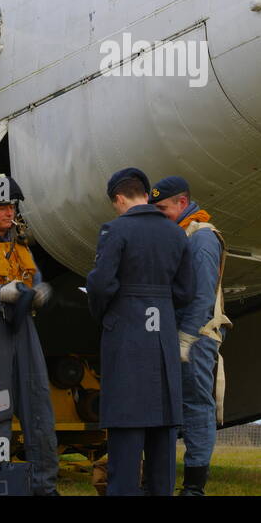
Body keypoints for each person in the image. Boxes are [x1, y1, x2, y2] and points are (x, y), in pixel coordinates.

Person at [86, 167, 195, 496]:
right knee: (162, 440)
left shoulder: (114, 231)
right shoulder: (177, 233)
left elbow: (101, 285)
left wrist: (106, 313)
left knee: (125, 440)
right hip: (162, 337)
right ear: (146, 195)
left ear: (119, 199)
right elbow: (186, 291)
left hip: (126, 338)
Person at [0, 173, 60, 495]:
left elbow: (35, 279)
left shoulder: (21, 246)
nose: (8, 212)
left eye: (11, 206)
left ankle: (45, 486)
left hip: (25, 332)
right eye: (2, 206)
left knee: (39, 408)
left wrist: (41, 291)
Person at [150, 175, 232, 496]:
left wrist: (185, 341)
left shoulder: (202, 237)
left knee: (197, 406)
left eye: (163, 208)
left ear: (182, 203)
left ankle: (194, 487)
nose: (158, 214)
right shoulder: (179, 233)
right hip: (174, 334)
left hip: (195, 337)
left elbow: (201, 295)